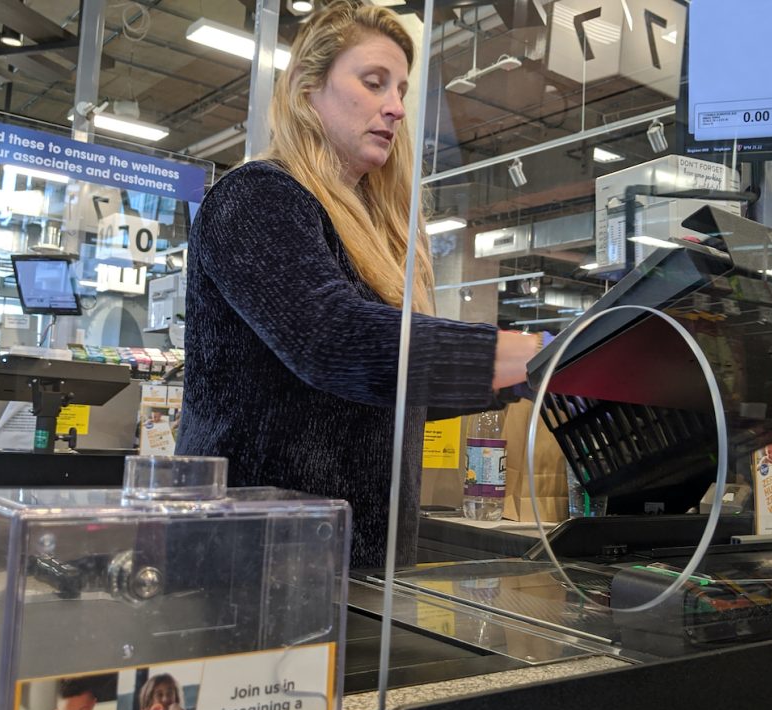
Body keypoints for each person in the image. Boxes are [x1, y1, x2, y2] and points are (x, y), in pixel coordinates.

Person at [175, 0, 539, 568]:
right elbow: (331, 339)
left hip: (358, 564)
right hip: (248, 566)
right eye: (374, 84)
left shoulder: (372, 231)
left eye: (401, 90)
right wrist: (509, 354)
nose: (395, 108)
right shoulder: (257, 198)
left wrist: (522, 378)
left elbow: (380, 396)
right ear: (307, 90)